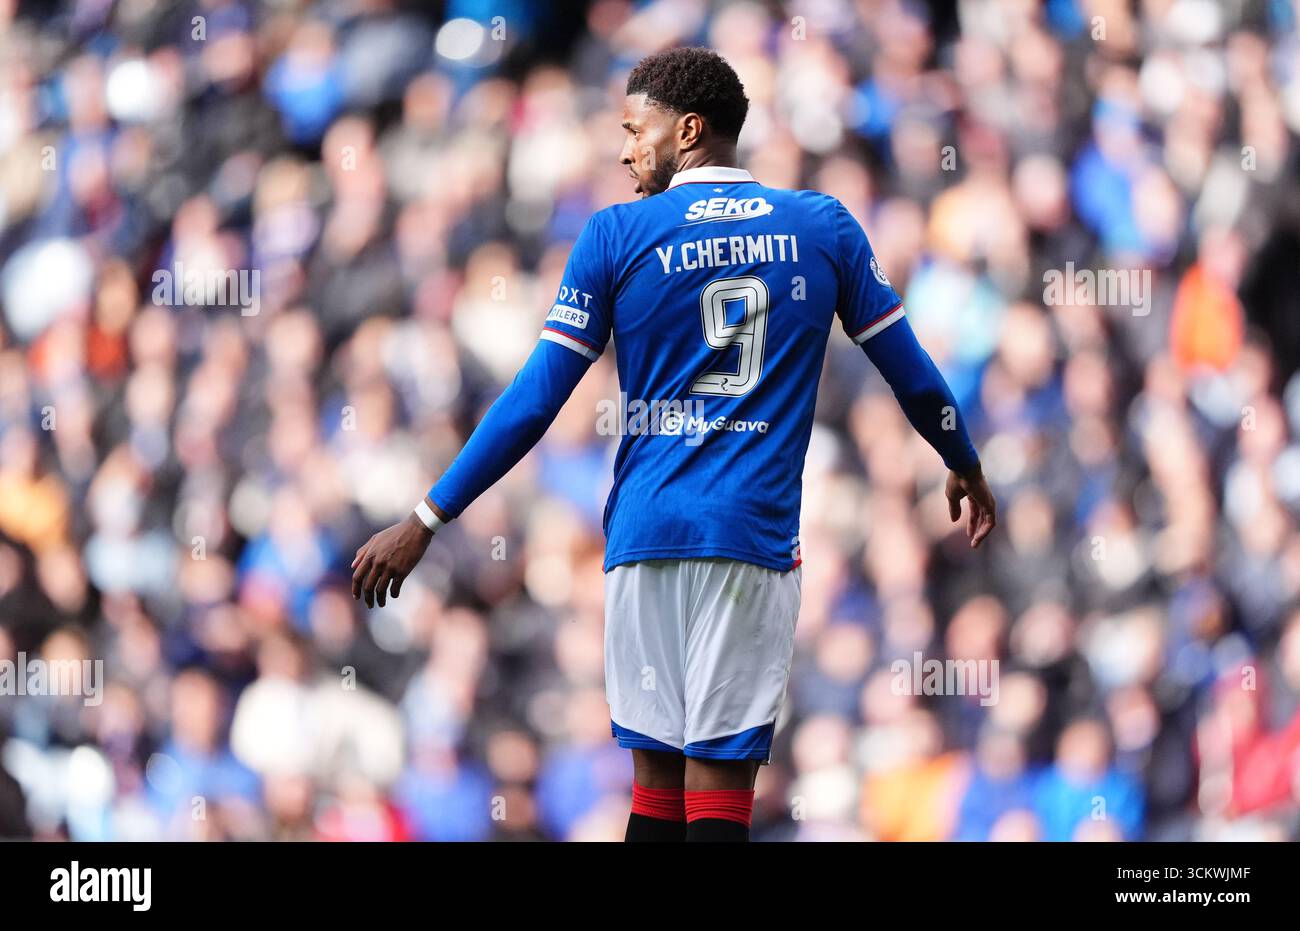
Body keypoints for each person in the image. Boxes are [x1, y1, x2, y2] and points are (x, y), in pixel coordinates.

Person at [351, 46, 996, 842]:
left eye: (634, 128)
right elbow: (913, 374)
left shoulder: (615, 234)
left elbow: (535, 399)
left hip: (644, 540)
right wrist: (962, 459)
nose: (624, 149)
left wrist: (427, 516)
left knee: (655, 790)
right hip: (747, 541)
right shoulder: (821, 226)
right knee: (720, 797)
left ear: (688, 129)